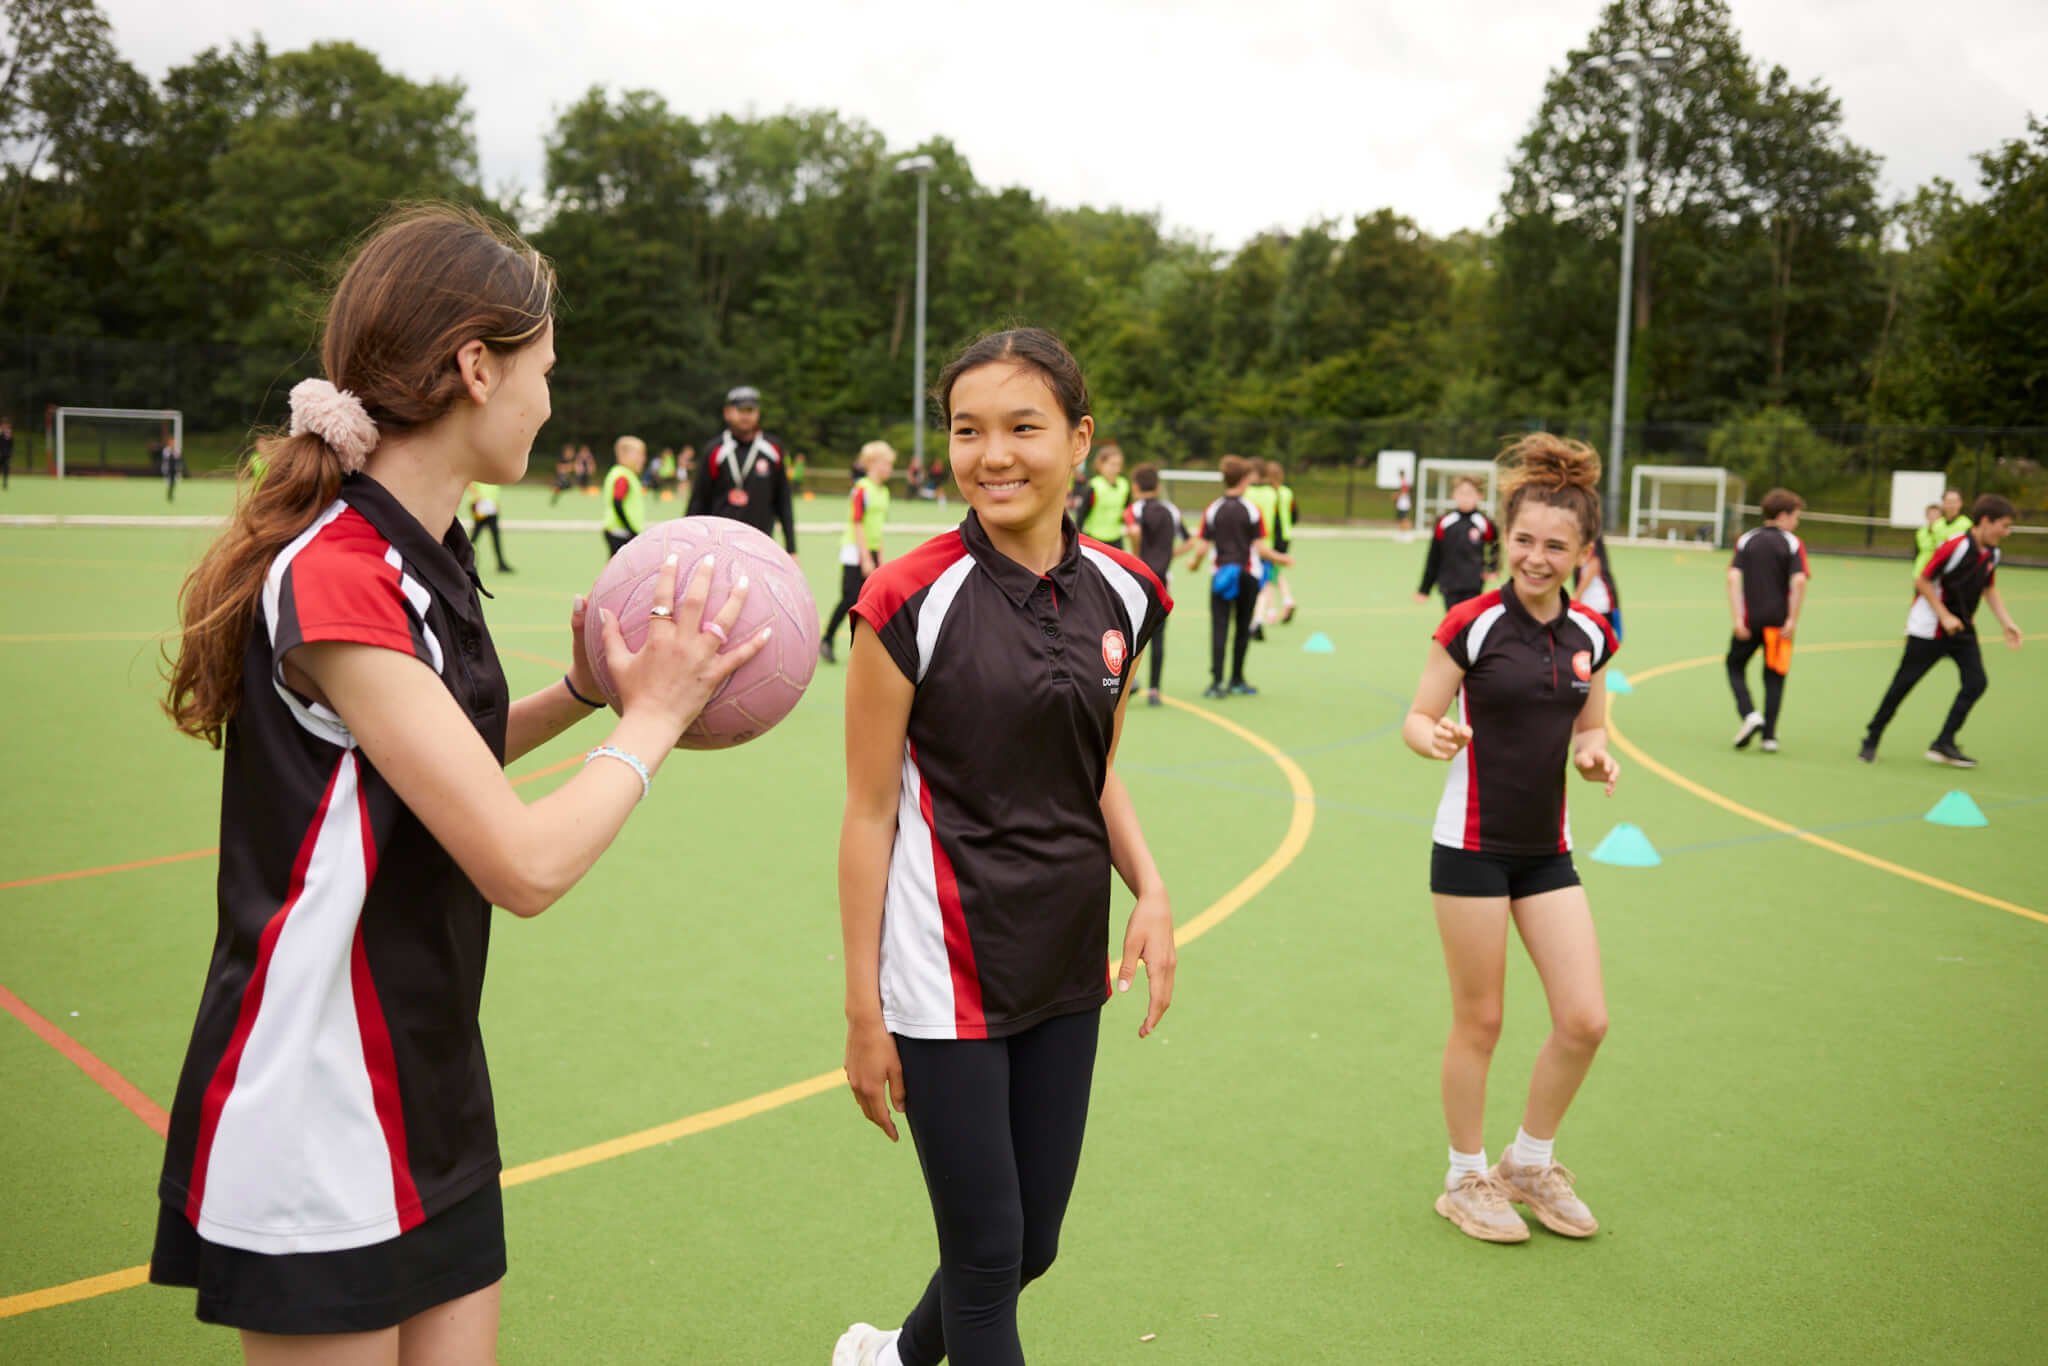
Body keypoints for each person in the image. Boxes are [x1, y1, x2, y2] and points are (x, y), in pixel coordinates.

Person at [150, 204, 772, 1364]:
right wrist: (649, 720)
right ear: (477, 367)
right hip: (318, 1098)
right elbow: (522, 864)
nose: (551, 396)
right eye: (545, 366)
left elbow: (430, 770)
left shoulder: (413, 559)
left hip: (426, 1076)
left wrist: (585, 693)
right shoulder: (338, 573)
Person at [833, 327, 1174, 1366]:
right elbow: (865, 813)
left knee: (1032, 1244)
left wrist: (1149, 890)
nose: (992, 455)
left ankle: (886, 1360)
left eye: (1022, 427)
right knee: (985, 1258)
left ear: (1078, 440)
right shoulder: (903, 601)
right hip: (943, 970)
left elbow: (1094, 768)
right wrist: (861, 1008)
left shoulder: (1129, 592)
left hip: (1067, 954)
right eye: (966, 430)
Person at [1403, 433, 1619, 1247]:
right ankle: (1465, 1177)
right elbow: (1418, 715)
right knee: (1481, 1020)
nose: (1536, 556)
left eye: (1555, 545)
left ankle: (1529, 1162)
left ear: (1582, 552)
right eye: (1524, 539)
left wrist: (1597, 756)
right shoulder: (1473, 624)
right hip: (1470, 849)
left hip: (1547, 853)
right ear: (1505, 537)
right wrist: (1429, 737)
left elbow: (1592, 727)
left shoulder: (1592, 636)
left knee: (1585, 1020)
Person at [1860, 493, 2024, 768]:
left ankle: (1944, 743)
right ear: (1986, 521)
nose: (2006, 532)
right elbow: (1924, 581)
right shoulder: (1956, 546)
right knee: (1903, 684)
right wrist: (1944, 615)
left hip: (1962, 627)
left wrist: (2006, 622)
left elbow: (1989, 588)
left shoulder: (1993, 553)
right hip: (1929, 627)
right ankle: (1871, 739)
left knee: (1976, 683)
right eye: (2004, 525)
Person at [1183, 454, 1284, 699]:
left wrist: (1194, 563)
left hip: (1221, 575)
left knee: (1219, 627)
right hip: (1247, 574)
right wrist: (1281, 558)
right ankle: (1236, 679)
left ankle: (1217, 682)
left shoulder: (1213, 509)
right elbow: (1260, 549)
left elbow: (1202, 547)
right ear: (1243, 480)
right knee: (1241, 627)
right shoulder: (1252, 510)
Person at [1726, 489, 1809, 752]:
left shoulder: (1747, 539)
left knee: (1734, 665)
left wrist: (1738, 617)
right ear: (1783, 515)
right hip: (1777, 623)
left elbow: (1732, 577)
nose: (1796, 522)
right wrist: (1792, 620)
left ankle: (1750, 714)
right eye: (1795, 516)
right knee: (1774, 676)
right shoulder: (1792, 543)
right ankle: (1769, 737)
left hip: (1750, 621)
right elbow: (1798, 580)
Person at [685, 384, 796, 553]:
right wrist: (688, 545)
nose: (746, 415)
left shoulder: (773, 449)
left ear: (757, 413)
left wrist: (791, 549)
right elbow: (698, 501)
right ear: (727, 412)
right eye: (740, 410)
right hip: (719, 545)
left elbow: (783, 501)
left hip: (760, 545)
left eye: (750, 410)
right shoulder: (715, 450)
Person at [821, 441, 894, 664]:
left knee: (872, 601)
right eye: (886, 464)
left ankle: (865, 648)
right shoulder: (861, 488)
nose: (890, 468)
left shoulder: (885, 492)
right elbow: (858, 523)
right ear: (872, 463)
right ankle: (827, 639)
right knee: (850, 598)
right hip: (854, 551)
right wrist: (864, 558)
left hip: (871, 550)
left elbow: (878, 527)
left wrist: (878, 556)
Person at [1123, 462, 1188, 706]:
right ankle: (1155, 690)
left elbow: (1134, 532)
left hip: (1138, 581)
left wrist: (1136, 556)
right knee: (1159, 636)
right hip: (1163, 581)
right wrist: (1171, 556)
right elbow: (1189, 541)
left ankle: (1128, 683)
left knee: (1131, 633)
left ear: (1136, 486)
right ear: (1158, 486)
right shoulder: (1171, 510)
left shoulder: (1134, 509)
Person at [1414, 475, 1497, 612]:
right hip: (1449, 584)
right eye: (1461, 493)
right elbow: (1434, 556)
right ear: (1454, 495)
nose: (1465, 497)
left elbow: (1495, 546)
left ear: (1479, 496)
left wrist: (1492, 568)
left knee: (1470, 622)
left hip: (1473, 584)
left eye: (1470, 493)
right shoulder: (1444, 522)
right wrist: (1425, 589)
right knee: (1454, 622)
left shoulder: (1484, 522)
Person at [1261, 460, 1299, 626]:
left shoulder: (1268, 493)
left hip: (1272, 538)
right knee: (1275, 573)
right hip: (1286, 537)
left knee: (1268, 576)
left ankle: (1271, 610)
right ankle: (1287, 600)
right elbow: (1294, 516)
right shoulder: (1287, 492)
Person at [1075, 441, 1130, 550]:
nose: (1116, 469)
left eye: (1118, 465)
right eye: (1112, 464)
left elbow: (1127, 511)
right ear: (1100, 465)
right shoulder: (1093, 486)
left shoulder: (1124, 485)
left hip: (1116, 539)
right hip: (1094, 538)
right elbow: (1081, 516)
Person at [602, 436, 649, 559]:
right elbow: (617, 502)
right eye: (640, 455)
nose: (643, 459)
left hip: (619, 531)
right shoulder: (623, 476)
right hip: (621, 533)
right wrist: (630, 529)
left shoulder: (621, 473)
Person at [1571, 531, 1623, 643]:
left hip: (1597, 604)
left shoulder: (1592, 536)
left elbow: (1594, 566)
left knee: (1596, 644)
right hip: (1591, 603)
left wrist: (1577, 596)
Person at [1916, 488, 1972, 574]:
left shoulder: (1967, 524)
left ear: (1960, 503)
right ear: (1943, 504)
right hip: (1938, 573)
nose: (1951, 505)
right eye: (1948, 502)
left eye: (1954, 502)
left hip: (1958, 572)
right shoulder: (1937, 526)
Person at [467, 480, 513, 573]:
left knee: (493, 535)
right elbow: (470, 482)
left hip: (491, 506)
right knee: (476, 537)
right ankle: (464, 560)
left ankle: (500, 563)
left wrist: (495, 503)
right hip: (481, 505)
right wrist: (477, 497)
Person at [162, 435, 184, 502]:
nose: (172, 443)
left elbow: (179, 460)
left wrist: (179, 469)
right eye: (171, 442)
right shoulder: (166, 450)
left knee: (174, 483)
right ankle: (169, 494)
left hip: (175, 469)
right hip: (168, 469)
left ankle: (170, 493)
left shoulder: (177, 450)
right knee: (169, 482)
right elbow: (166, 459)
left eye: (173, 442)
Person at [0, 416, 14, 491]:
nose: (5, 425)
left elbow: (11, 443)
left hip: (6, 454)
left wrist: (11, 453)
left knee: (6, 468)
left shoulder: (8, 432)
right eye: (3, 424)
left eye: (6, 424)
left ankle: (5, 482)